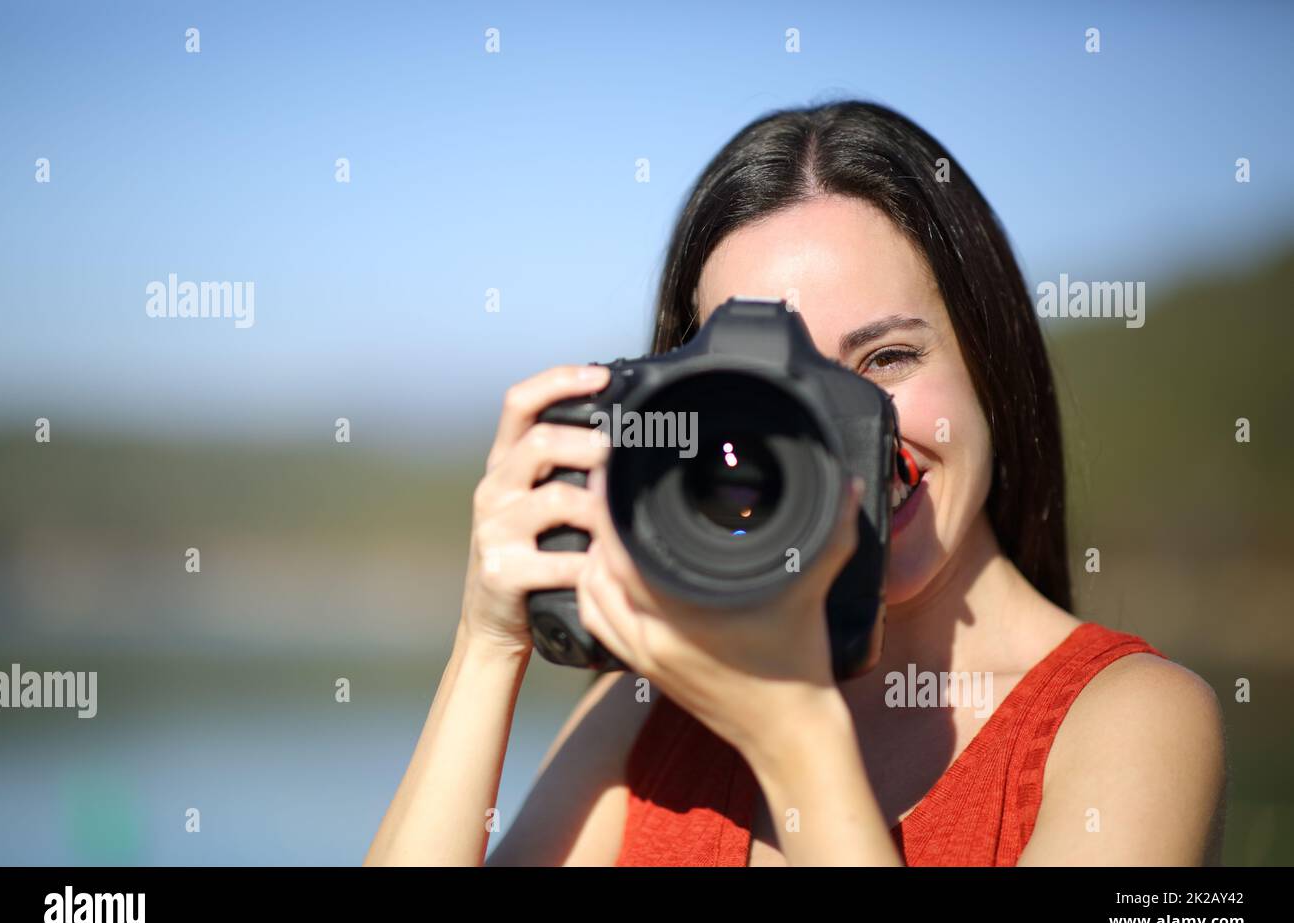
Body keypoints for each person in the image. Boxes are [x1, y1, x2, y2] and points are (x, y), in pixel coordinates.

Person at [365, 100, 1227, 866]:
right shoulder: (651, 711)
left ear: (989, 368)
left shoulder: (1131, 728)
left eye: (885, 358)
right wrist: (488, 645)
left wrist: (791, 736)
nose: (831, 427)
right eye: (773, 389)